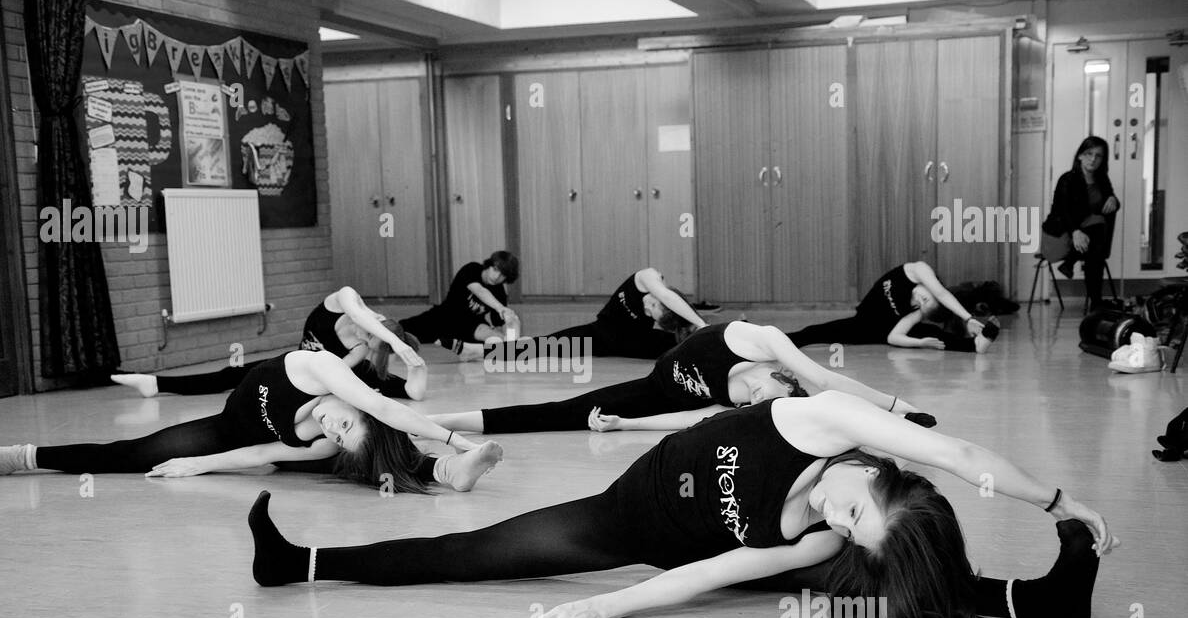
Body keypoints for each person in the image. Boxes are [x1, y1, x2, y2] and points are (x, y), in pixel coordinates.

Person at [247, 392, 1117, 618]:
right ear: (868, 469)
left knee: (875, 580)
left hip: (646, 553)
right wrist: (1054, 499)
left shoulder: (817, 535)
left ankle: (1040, 604)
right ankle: (303, 563)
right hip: (618, 513)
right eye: (854, 509)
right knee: (474, 552)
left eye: (847, 527)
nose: (837, 520)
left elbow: (704, 576)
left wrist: (599, 607)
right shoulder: (827, 422)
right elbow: (960, 457)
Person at [0, 349, 501, 494]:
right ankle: (18, 458)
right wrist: (453, 432)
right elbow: (384, 410)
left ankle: (444, 472)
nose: (334, 430)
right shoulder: (320, 370)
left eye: (339, 437)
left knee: (365, 466)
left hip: (227, 441)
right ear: (355, 406)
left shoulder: (322, 447)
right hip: (223, 421)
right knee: (127, 452)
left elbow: (259, 456)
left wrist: (197, 465)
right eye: (344, 425)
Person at [428, 321, 934, 436]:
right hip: (653, 377)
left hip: (648, 398)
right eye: (771, 391)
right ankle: (432, 418)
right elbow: (827, 380)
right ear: (783, 375)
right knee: (559, 406)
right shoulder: (761, 341)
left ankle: (441, 423)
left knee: (565, 417)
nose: (759, 398)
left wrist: (625, 425)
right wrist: (895, 406)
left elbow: (691, 420)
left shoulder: (747, 403)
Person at [111, 286, 427, 401]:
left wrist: (413, 366)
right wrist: (392, 341)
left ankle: (155, 384)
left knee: (387, 385)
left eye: (367, 342)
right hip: (288, 364)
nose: (361, 338)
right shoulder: (345, 299)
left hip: (303, 380)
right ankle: (154, 383)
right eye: (366, 333)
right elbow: (360, 315)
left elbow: (331, 380)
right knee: (230, 374)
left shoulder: (359, 351)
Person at [452, 267, 707, 362]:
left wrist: (696, 332)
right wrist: (700, 322)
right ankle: (479, 351)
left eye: (652, 313)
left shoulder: (657, 313)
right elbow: (667, 297)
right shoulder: (648, 278)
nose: (648, 307)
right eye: (653, 304)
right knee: (545, 346)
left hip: (631, 344)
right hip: (598, 334)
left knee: (680, 351)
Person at [786, 262, 998, 353]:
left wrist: (919, 344)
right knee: (816, 332)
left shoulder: (915, 312)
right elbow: (942, 294)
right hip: (862, 324)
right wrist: (968, 318)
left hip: (882, 333)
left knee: (930, 333)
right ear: (932, 286)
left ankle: (975, 346)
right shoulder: (916, 271)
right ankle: (776, 340)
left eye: (922, 306)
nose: (917, 302)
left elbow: (892, 337)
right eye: (925, 298)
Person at [1044, 136, 1121, 309]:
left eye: (1098, 156)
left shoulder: (1102, 180)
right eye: (1088, 153)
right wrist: (1075, 232)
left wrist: (1114, 200)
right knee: (1097, 243)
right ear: (1079, 155)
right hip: (1061, 236)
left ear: (1103, 159)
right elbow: (1061, 210)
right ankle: (1096, 302)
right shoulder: (1067, 179)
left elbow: (1111, 201)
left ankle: (1071, 265)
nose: (1093, 159)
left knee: (1097, 242)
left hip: (1088, 239)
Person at [400, 251, 520, 352]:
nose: (496, 277)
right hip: (445, 317)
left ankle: (497, 350)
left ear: (507, 278)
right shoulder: (472, 269)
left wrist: (511, 327)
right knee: (403, 330)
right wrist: (500, 308)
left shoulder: (499, 293)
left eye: (502, 275)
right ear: (489, 265)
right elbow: (479, 290)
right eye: (495, 270)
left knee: (495, 337)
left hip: (471, 325)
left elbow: (499, 323)